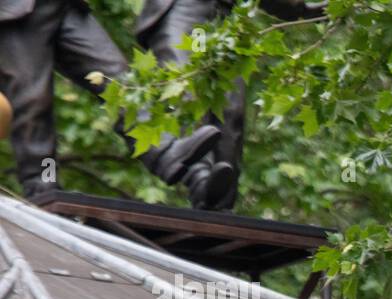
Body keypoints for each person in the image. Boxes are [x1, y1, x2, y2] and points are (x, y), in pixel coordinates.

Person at [0, 0, 221, 200]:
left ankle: (168, 153)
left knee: (119, 80)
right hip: (14, 11)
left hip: (65, 7)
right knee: (34, 101)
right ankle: (42, 186)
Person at [135, 0, 323, 210]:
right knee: (187, 94)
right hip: (183, 11)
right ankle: (200, 178)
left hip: (227, 23)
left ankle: (220, 200)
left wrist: (302, 9)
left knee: (232, 113)